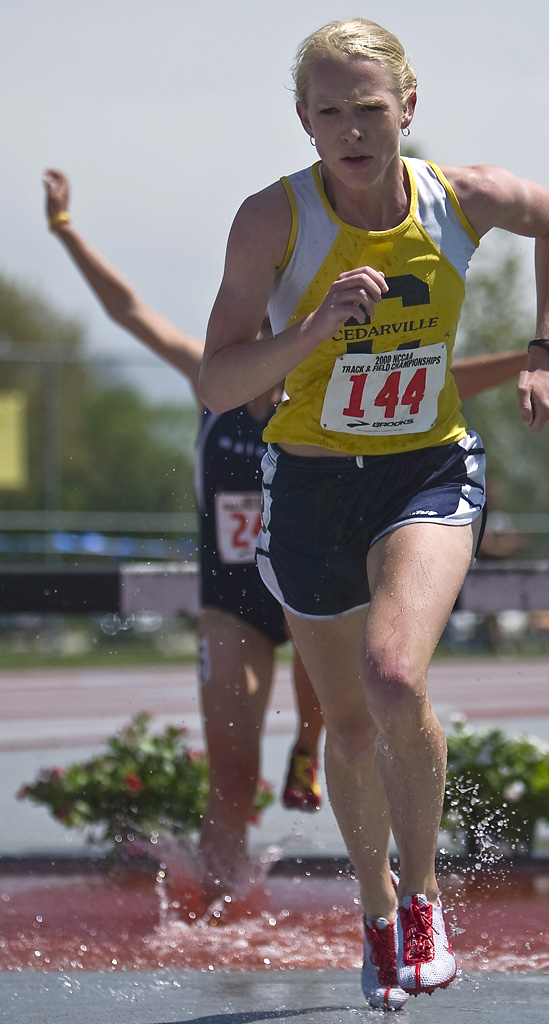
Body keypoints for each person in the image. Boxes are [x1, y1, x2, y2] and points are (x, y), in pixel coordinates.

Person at [199, 18, 549, 1009]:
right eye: (331, 111)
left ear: (407, 107)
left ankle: (424, 900)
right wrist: (315, 326)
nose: (353, 129)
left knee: (393, 672)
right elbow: (217, 378)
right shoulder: (271, 222)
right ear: (304, 122)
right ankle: (373, 911)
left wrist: (546, 353)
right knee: (352, 726)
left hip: (427, 469)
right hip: (312, 481)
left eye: (370, 107)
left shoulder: (462, 197)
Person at [42, 169, 325, 900]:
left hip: (310, 585)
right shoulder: (213, 383)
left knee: (331, 661)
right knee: (231, 778)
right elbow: (130, 311)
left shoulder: (322, 388)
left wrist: (531, 358)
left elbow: (445, 384)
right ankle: (221, 904)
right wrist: (67, 231)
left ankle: (308, 745)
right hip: (232, 599)